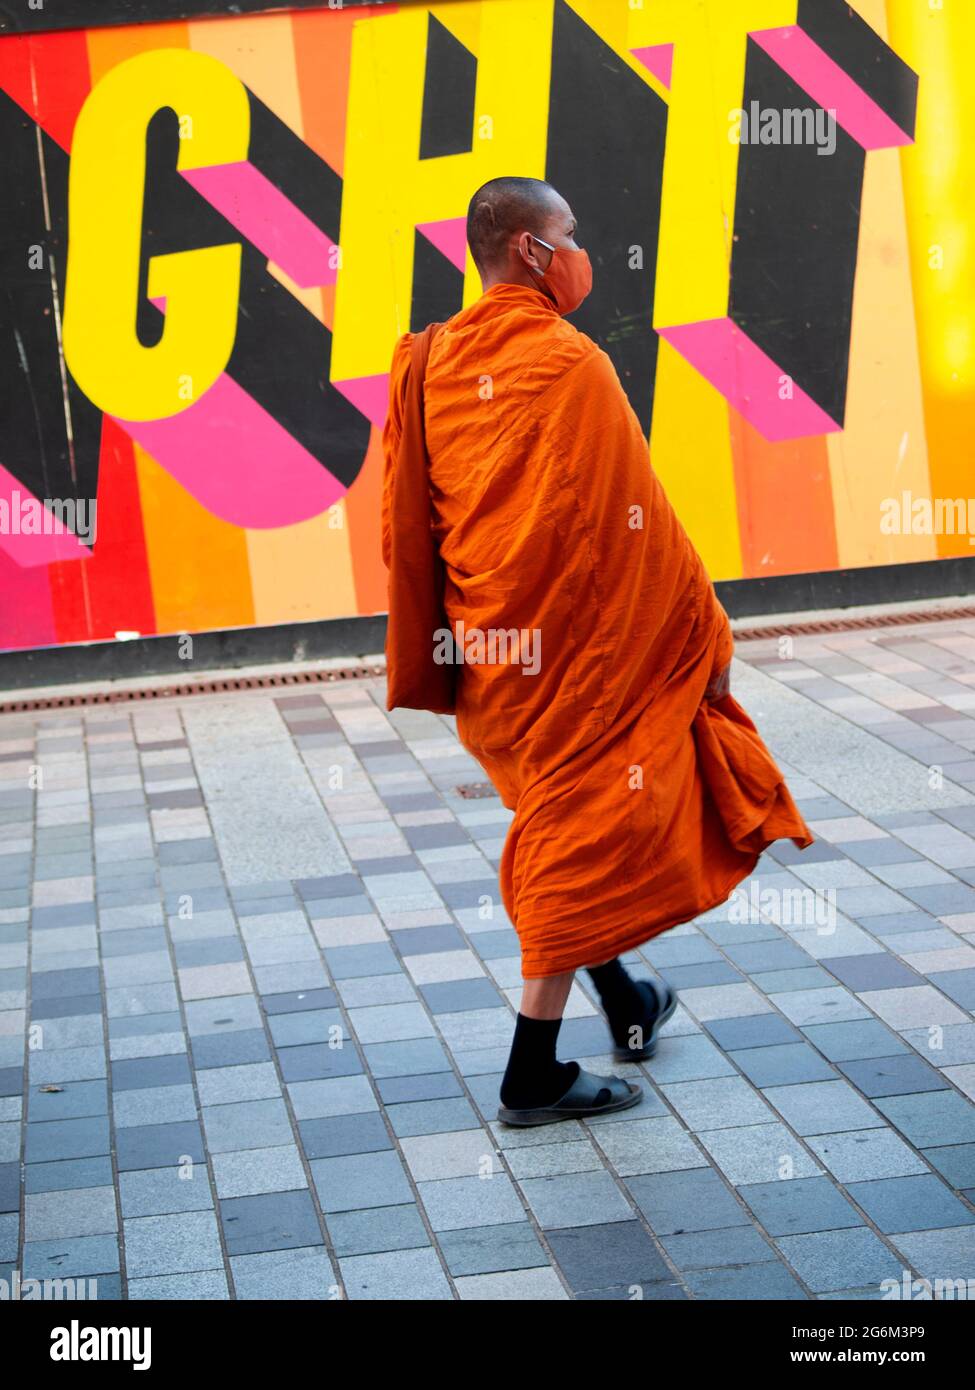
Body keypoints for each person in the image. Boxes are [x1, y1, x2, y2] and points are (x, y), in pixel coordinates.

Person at [382, 176, 813, 1127]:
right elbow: (642, 522)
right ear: (532, 252)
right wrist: (701, 627)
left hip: (498, 656)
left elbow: (431, 521)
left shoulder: (432, 360)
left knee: (565, 814)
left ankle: (623, 997)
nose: (582, 250)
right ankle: (530, 1071)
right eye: (570, 233)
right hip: (569, 665)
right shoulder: (567, 363)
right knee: (570, 842)